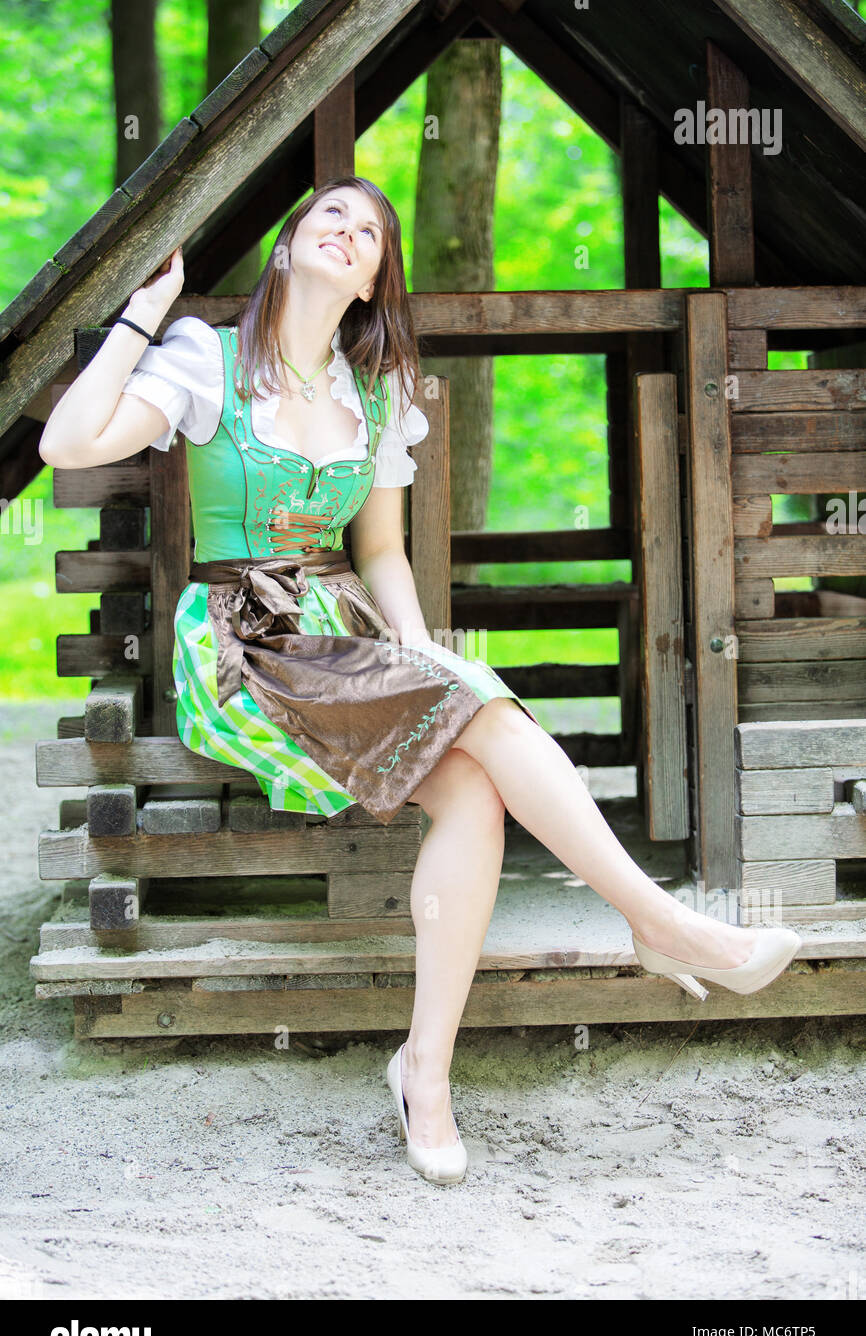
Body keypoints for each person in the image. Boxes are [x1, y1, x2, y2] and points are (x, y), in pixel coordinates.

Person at [39, 176, 801, 1188]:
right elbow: (65, 442)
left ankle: (424, 1071)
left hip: (346, 634)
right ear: (288, 245)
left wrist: (420, 652)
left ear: (370, 282)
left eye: (369, 233)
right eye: (330, 218)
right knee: (479, 707)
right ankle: (655, 921)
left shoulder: (377, 391)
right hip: (243, 640)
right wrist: (144, 312)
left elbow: (384, 553)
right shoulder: (204, 362)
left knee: (475, 790)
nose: (349, 234)